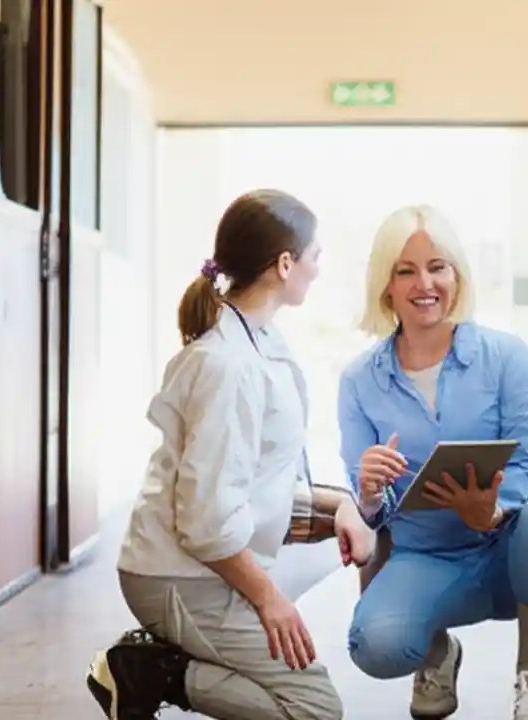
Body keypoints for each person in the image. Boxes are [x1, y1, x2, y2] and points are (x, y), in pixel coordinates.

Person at [86, 189, 374, 720]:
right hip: (180, 575)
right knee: (314, 710)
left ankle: (165, 662)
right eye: (314, 256)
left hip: (208, 563)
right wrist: (269, 599)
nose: (318, 267)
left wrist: (344, 508)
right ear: (284, 264)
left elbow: (259, 481)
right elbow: (205, 519)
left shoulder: (257, 342)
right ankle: (150, 672)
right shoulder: (228, 366)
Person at [338, 205, 528, 720]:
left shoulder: (506, 357)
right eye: (404, 271)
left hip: (513, 553)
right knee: (375, 643)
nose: (423, 283)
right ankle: (437, 653)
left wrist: (493, 512)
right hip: (427, 559)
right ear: (385, 286)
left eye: (437, 266)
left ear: (458, 275)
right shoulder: (359, 381)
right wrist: (366, 492)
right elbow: (370, 516)